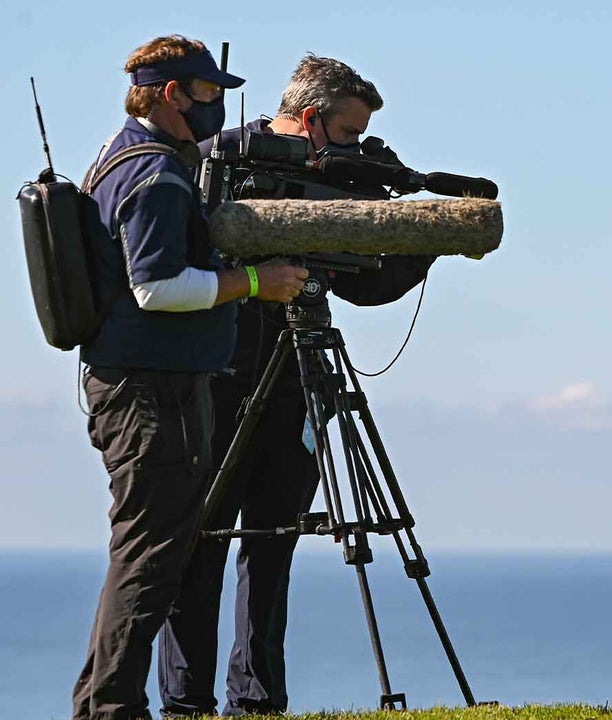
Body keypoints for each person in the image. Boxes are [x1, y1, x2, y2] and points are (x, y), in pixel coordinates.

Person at [158, 54, 437, 717]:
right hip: (214, 376)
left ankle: (256, 700)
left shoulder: (340, 177)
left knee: (273, 539)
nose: (354, 147)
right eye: (346, 132)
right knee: (199, 540)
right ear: (311, 118)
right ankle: (186, 703)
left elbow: (364, 284)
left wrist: (421, 242)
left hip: (297, 375)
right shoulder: (216, 161)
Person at [73, 35, 307, 720]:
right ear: (173, 93)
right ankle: (111, 709)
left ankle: (106, 704)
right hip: (153, 393)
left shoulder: (125, 159)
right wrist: (255, 281)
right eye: (209, 93)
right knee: (151, 559)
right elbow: (158, 288)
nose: (219, 107)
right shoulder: (155, 177)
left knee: (149, 552)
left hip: (139, 385)